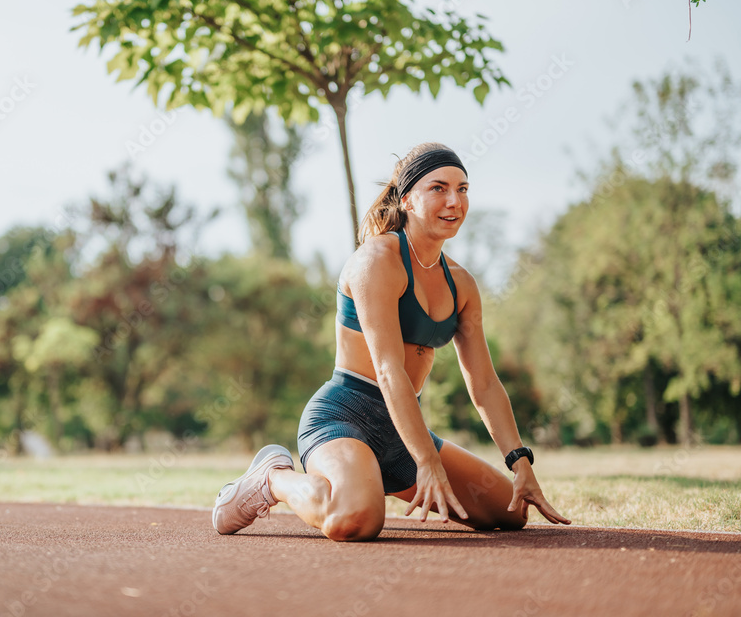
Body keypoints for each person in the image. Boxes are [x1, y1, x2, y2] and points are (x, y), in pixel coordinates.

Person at [212, 142, 570, 541]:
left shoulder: (462, 283)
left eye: (463, 189)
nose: (454, 200)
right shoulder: (377, 260)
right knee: (355, 521)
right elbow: (387, 369)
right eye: (438, 188)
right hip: (343, 416)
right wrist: (426, 459)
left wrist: (520, 462)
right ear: (408, 199)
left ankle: (372, 478)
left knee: (510, 512)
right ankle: (274, 479)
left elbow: (484, 383)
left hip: (403, 427)